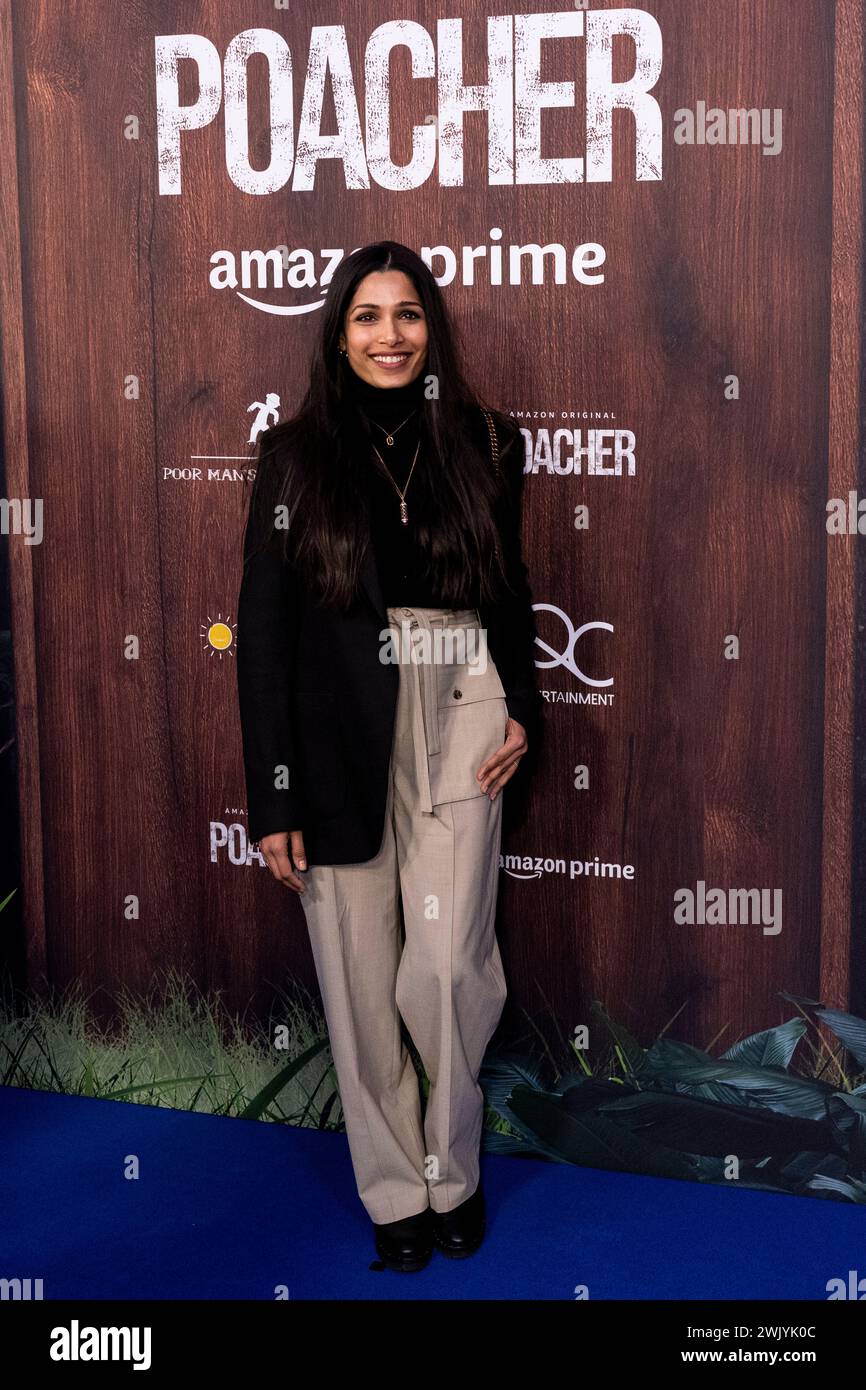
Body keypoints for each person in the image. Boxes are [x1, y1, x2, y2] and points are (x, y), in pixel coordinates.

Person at [235, 240, 542, 1273]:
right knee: (358, 974)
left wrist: (521, 710)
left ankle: (451, 1171)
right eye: (366, 317)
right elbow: (262, 631)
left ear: (431, 328)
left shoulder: (486, 444)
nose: (388, 336)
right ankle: (393, 1192)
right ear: (336, 333)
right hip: (333, 724)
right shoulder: (291, 458)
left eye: (406, 314)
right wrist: (272, 792)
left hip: (459, 700)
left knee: (451, 965)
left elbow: (506, 587)